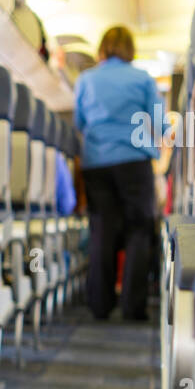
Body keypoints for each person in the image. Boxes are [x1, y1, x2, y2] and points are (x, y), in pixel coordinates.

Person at [73, 26, 164, 321]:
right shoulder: (142, 79)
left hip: (96, 162)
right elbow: (160, 124)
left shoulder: (86, 80)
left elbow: (79, 120)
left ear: (102, 49)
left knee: (102, 229)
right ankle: (132, 306)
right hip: (134, 161)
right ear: (130, 50)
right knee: (139, 230)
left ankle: (99, 304)